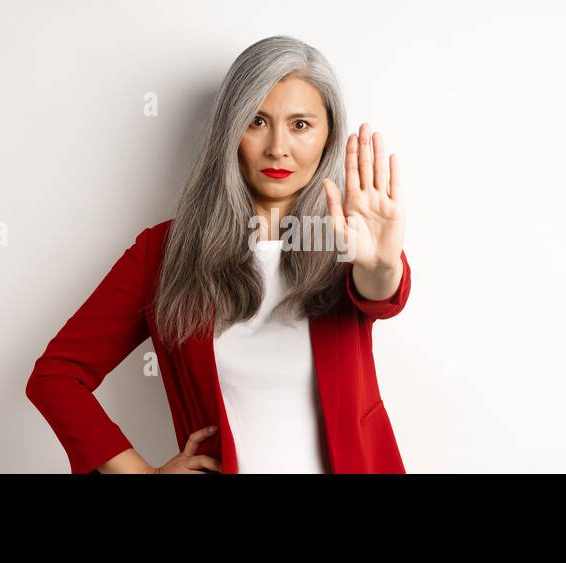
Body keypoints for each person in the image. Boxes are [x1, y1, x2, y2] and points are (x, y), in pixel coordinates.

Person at [25, 35, 410, 474]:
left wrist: (381, 265)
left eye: (300, 125)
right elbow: (57, 376)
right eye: (257, 121)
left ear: (327, 135)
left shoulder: (352, 239)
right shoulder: (163, 254)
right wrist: (139, 473)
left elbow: (379, 293)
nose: (278, 148)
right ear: (230, 129)